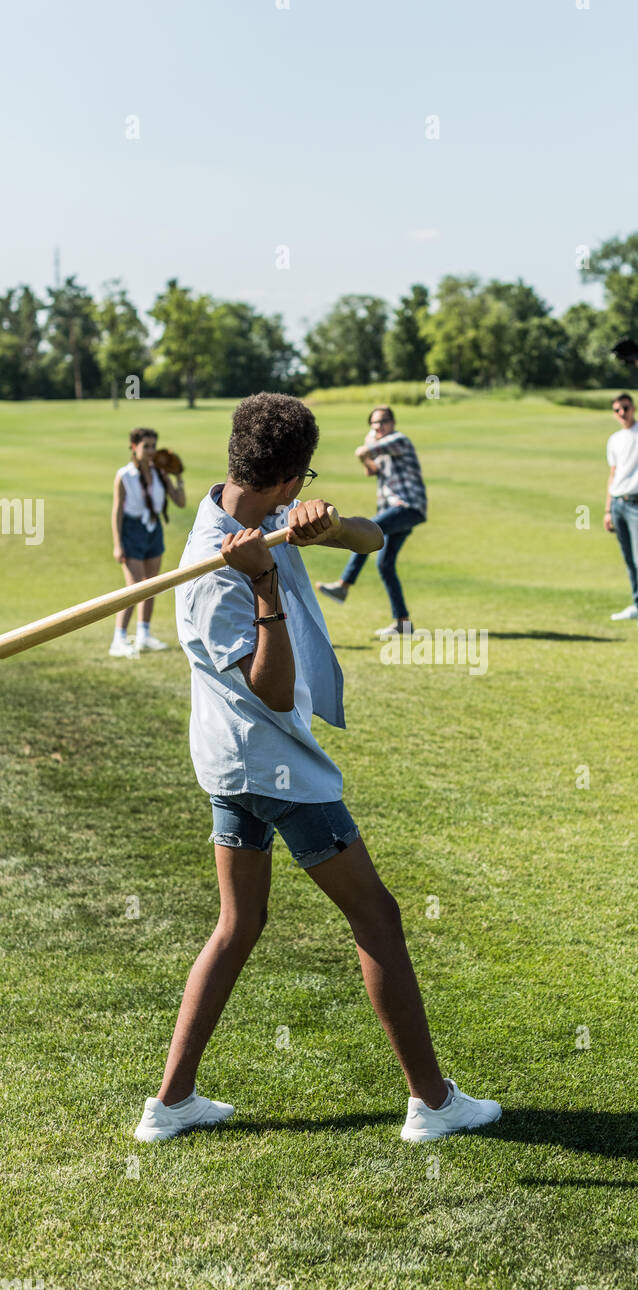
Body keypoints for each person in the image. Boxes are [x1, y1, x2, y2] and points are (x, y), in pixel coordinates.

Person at [133, 393, 500, 1145]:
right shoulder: (213, 569)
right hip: (271, 769)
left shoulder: (259, 511)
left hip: (233, 761)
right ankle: (432, 1105)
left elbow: (368, 541)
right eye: (306, 481)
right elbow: (267, 689)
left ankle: (169, 1104)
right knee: (378, 916)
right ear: (287, 474)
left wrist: (324, 523)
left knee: (239, 923)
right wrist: (264, 582)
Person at [316, 405, 426, 636]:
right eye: (374, 423)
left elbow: (361, 451)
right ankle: (403, 623)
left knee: (366, 531)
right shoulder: (384, 448)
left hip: (407, 506)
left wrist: (367, 446)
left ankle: (343, 586)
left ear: (393, 422)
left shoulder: (398, 439)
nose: (378, 426)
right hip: (396, 509)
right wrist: (367, 456)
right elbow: (371, 469)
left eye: (383, 421)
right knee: (385, 565)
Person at [110, 427, 186, 657]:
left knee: (151, 585)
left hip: (154, 530)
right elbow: (117, 511)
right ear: (134, 447)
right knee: (133, 587)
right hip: (132, 531)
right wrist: (117, 543)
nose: (151, 451)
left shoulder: (160, 474)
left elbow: (180, 502)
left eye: (154, 445)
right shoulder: (124, 475)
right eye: (146, 446)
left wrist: (178, 478)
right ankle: (119, 639)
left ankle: (144, 635)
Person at [603, 356, 638, 629]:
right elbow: (612, 474)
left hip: (637, 504)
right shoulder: (614, 440)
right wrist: (606, 509)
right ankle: (636, 604)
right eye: (617, 410)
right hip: (618, 503)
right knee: (628, 559)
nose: (622, 413)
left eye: (625, 407)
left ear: (633, 407)